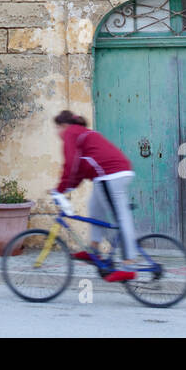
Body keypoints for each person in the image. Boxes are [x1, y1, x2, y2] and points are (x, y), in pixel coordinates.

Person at [51, 110, 140, 282]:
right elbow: (78, 170)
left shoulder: (71, 132)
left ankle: (129, 264)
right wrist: (66, 188)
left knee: (120, 217)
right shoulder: (82, 133)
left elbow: (69, 164)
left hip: (111, 174)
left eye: (57, 128)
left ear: (64, 125)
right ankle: (94, 250)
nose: (57, 132)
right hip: (105, 175)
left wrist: (60, 189)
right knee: (94, 208)